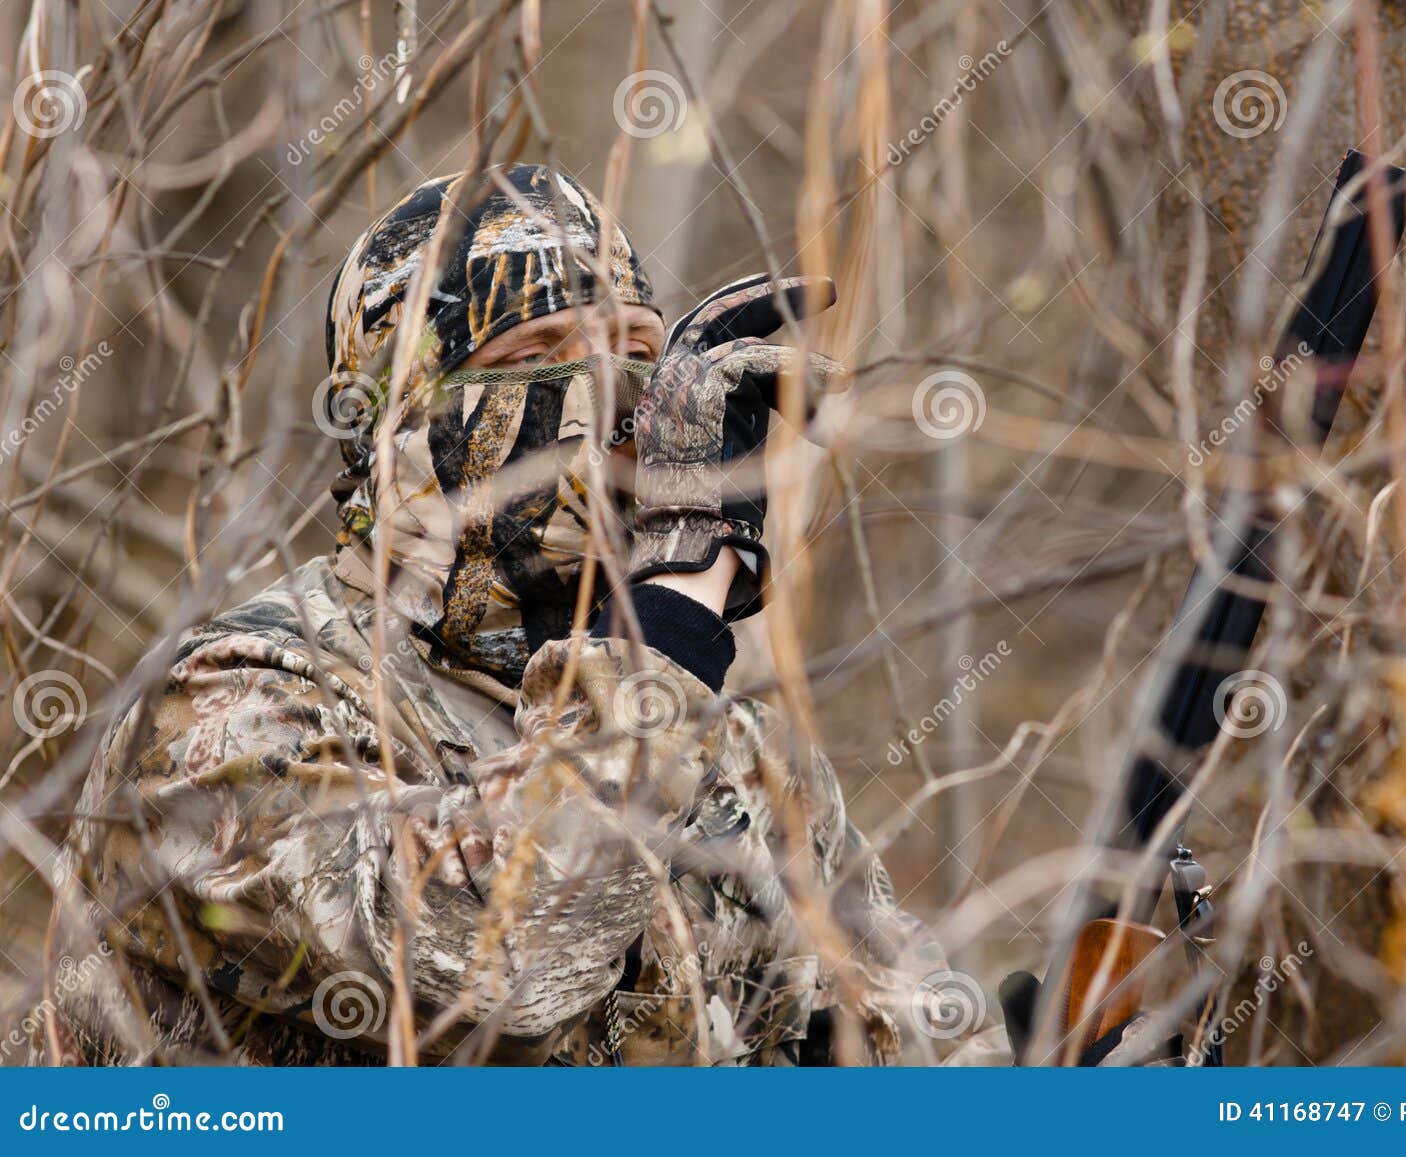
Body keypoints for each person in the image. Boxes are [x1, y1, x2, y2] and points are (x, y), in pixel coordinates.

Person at [46, 164, 954, 1066]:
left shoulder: (737, 752)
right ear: (396, 416)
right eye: (537, 354)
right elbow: (499, 968)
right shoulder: (228, 708)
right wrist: (677, 600)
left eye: (641, 350)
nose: (623, 395)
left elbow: (918, 1051)